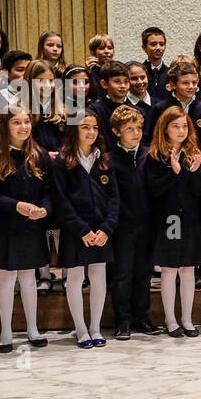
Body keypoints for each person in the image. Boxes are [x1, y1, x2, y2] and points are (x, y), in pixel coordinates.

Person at [0, 107, 52, 352]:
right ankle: (6, 331)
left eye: (27, 122)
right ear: (5, 126)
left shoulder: (38, 154)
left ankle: (32, 328)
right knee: (7, 278)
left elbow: (49, 191)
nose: (23, 127)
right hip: (5, 226)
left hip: (32, 226)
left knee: (29, 277)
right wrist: (16, 206)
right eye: (16, 122)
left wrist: (44, 209)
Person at [51, 112, 119, 348]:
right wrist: (82, 229)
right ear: (74, 130)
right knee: (76, 277)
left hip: (101, 231)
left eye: (95, 128)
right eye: (85, 127)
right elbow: (61, 201)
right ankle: (80, 329)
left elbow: (114, 199)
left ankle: (96, 328)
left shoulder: (104, 160)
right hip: (75, 230)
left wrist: (106, 229)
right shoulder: (62, 161)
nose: (91, 132)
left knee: (99, 277)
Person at [146, 106, 201, 337]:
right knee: (170, 270)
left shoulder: (193, 154)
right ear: (165, 128)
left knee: (188, 269)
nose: (181, 131)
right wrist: (173, 172)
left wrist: (194, 172)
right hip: (170, 219)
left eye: (184, 126)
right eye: (175, 126)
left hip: (190, 219)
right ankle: (170, 320)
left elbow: (200, 191)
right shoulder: (155, 156)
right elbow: (154, 190)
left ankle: (187, 319)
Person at [108, 106, 161, 340]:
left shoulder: (150, 155)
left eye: (139, 128)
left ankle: (142, 316)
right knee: (123, 274)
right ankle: (123, 320)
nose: (136, 133)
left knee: (143, 273)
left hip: (147, 223)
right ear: (117, 132)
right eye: (130, 129)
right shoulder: (110, 159)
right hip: (122, 226)